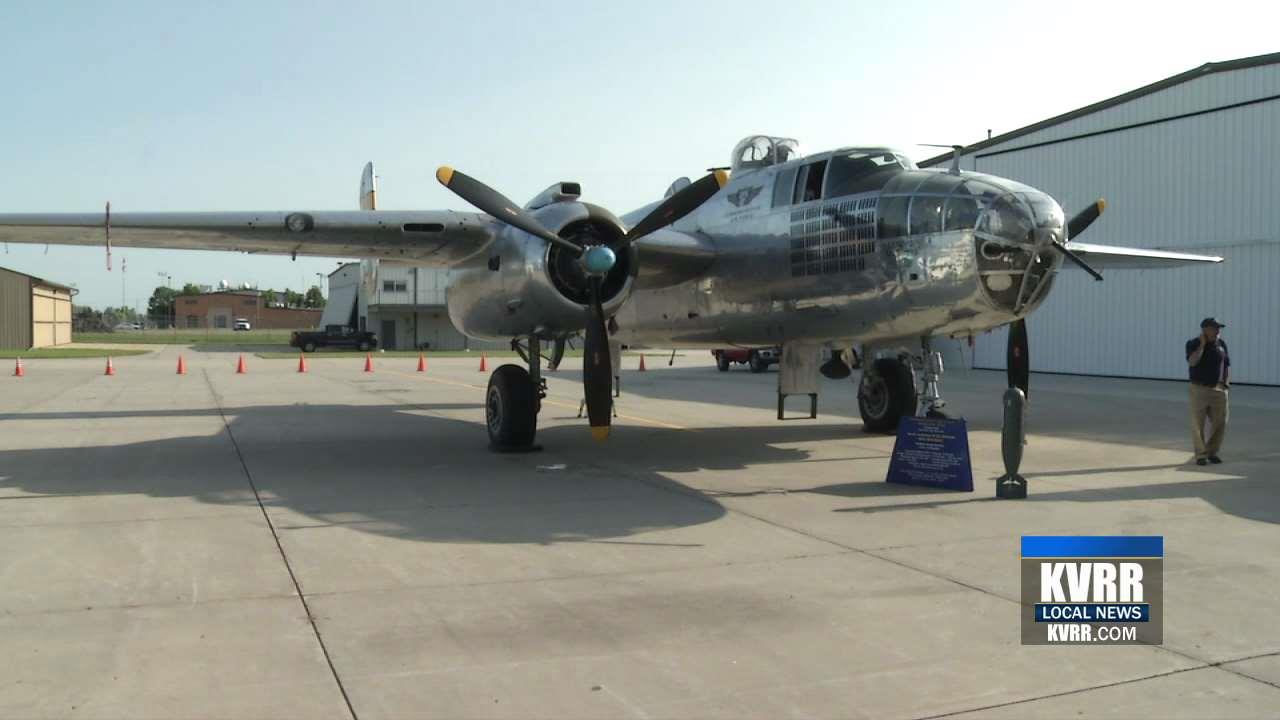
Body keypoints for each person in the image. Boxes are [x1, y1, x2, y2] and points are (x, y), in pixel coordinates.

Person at [1186, 318, 1230, 465]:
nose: (1218, 331)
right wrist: (1202, 345)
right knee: (1198, 424)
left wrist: (1226, 384)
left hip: (1219, 389)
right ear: (1205, 329)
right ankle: (1200, 455)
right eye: (1215, 328)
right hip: (1199, 389)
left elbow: (1226, 364)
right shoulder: (1193, 343)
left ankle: (1212, 452)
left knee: (1220, 422)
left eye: (1219, 328)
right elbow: (1193, 361)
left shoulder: (1221, 344)